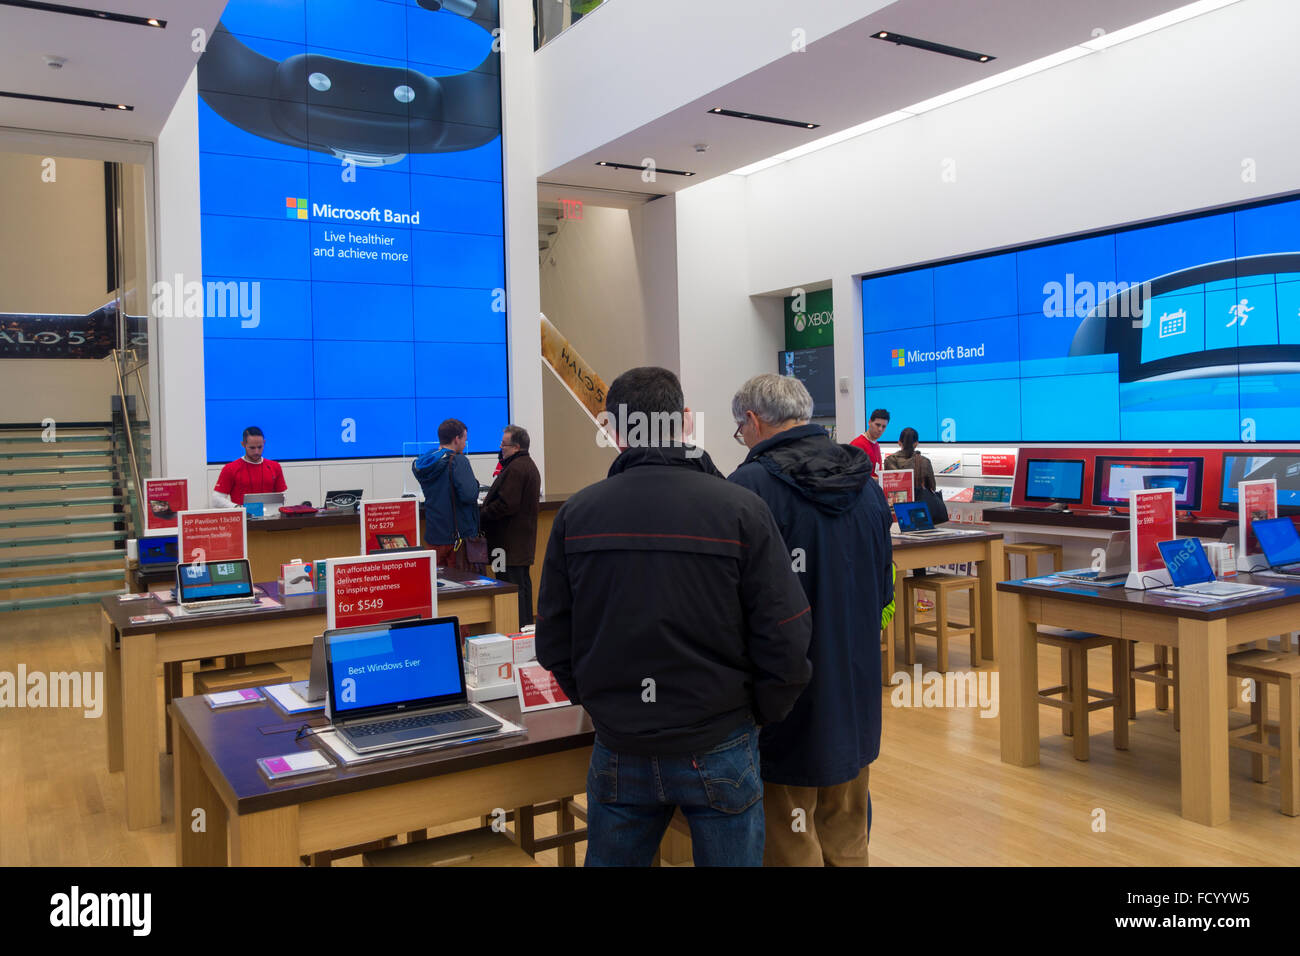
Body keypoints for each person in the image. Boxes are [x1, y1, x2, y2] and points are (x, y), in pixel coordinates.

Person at [535, 366, 813, 867]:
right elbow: (787, 635)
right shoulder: (740, 509)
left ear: (612, 431)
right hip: (720, 739)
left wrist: (603, 703)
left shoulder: (577, 516)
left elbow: (554, 641)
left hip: (621, 743)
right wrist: (757, 714)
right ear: (685, 422)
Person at [728, 374, 893, 867]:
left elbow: (733, 608)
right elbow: (883, 593)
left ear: (754, 422)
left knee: (786, 840)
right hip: (856, 694)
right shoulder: (867, 487)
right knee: (847, 837)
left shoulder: (747, 490)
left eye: (741, 431)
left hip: (781, 701)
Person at [480, 424, 541, 626]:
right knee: (521, 588)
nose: (500, 448)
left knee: (508, 587)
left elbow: (507, 504)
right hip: (518, 545)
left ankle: (514, 631)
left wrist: (482, 514)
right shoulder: (526, 465)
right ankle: (523, 631)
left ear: (516, 447)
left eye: (504, 444)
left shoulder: (515, 468)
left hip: (507, 544)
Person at [411, 418, 480, 570]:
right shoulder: (458, 461)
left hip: (433, 537)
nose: (464, 444)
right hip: (457, 539)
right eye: (464, 440)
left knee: (439, 587)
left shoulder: (425, 462)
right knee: (462, 588)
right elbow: (469, 495)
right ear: (456, 439)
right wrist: (476, 484)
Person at [212, 426, 286, 507]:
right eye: (252, 448)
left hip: (270, 517)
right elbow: (216, 499)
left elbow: (283, 495)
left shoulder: (275, 467)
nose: (256, 451)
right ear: (243, 444)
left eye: (260, 447)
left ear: (264, 442)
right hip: (242, 517)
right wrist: (238, 508)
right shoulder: (230, 468)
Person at [882, 426, 936, 493]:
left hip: (897, 501)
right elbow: (932, 487)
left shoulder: (889, 461)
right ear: (916, 444)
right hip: (920, 502)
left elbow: (888, 488)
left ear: (899, 443)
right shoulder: (925, 462)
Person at [850, 409, 890, 477]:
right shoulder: (857, 444)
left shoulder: (876, 444)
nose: (880, 429)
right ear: (869, 422)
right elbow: (855, 475)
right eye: (877, 425)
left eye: (883, 426)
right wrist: (878, 480)